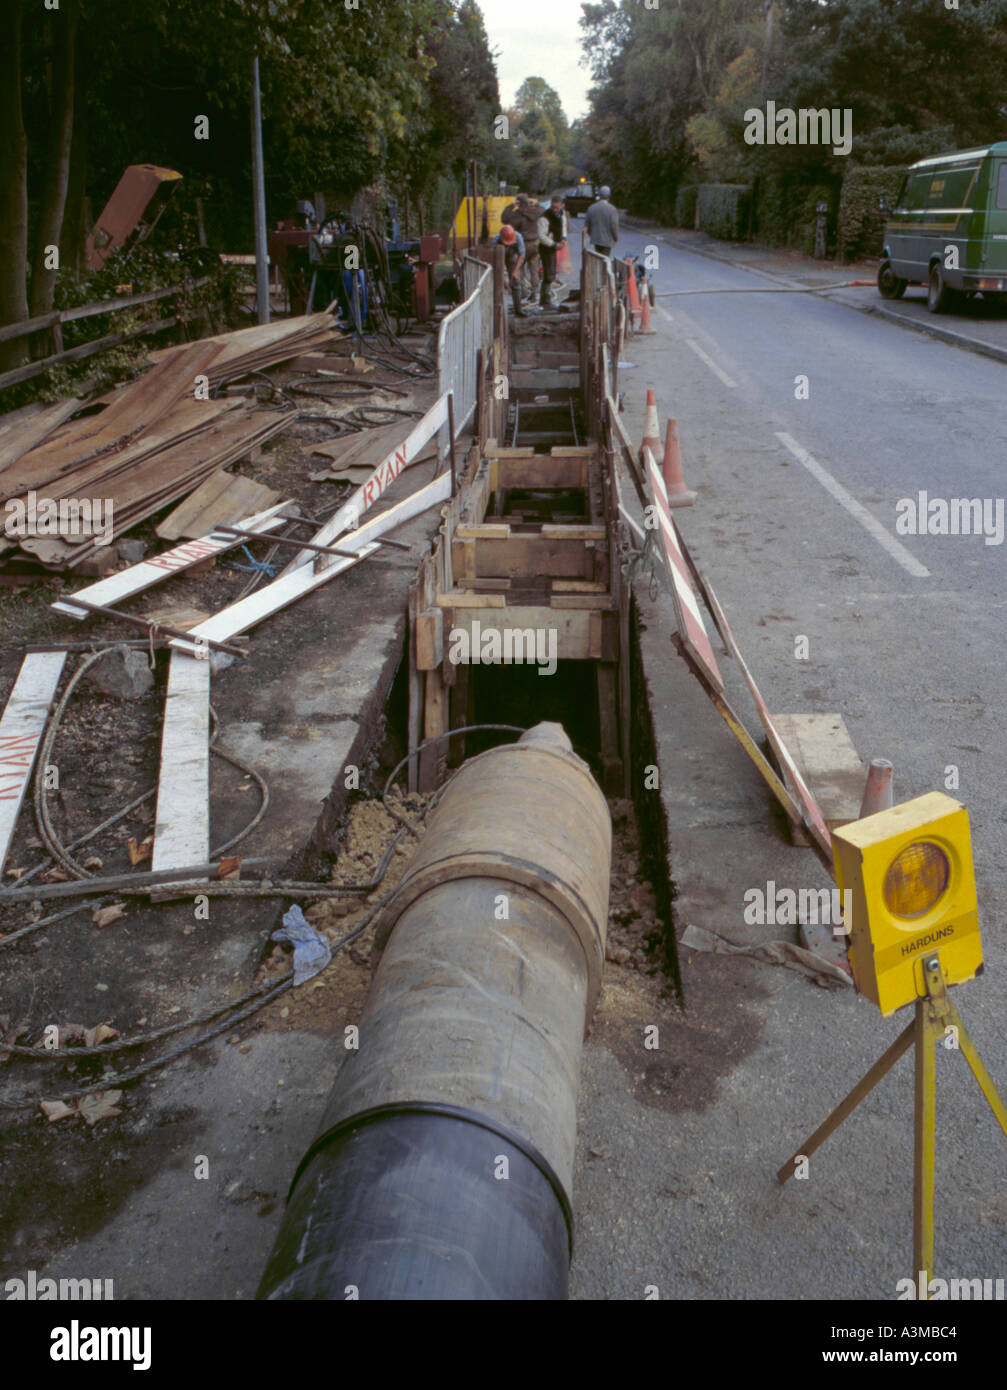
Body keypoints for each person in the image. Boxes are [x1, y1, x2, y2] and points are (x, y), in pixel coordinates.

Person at [502, 193, 543, 304]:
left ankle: (522, 292)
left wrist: (511, 206)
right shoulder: (536, 211)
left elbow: (504, 219)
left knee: (519, 268)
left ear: (519, 203)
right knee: (534, 269)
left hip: (523, 244)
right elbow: (543, 211)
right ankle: (534, 294)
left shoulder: (517, 214)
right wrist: (536, 204)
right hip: (535, 244)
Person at [537, 195, 568, 308]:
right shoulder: (544, 218)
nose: (555, 210)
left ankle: (546, 298)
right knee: (548, 273)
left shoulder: (561, 215)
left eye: (557, 207)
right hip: (546, 247)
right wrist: (554, 244)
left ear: (561, 205)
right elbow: (541, 236)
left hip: (555, 245)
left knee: (552, 272)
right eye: (553, 207)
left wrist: (563, 239)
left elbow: (563, 226)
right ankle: (545, 300)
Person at [493, 223, 526, 316]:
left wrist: (514, 272)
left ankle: (518, 310)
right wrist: (503, 278)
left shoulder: (518, 237)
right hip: (499, 258)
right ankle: (499, 310)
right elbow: (496, 262)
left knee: (516, 282)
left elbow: (521, 255)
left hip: (512, 257)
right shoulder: (495, 240)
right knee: (498, 283)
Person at [584, 185, 619, 256]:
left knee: (597, 258)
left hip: (595, 240)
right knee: (605, 259)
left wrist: (592, 234)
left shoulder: (591, 208)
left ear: (599, 195)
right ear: (609, 196)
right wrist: (616, 238)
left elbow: (587, 226)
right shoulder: (612, 209)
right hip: (607, 241)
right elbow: (614, 226)